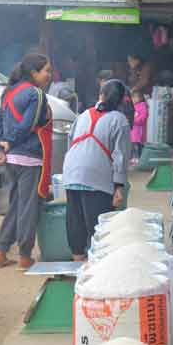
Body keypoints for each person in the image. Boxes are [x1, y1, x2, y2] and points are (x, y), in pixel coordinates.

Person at [0, 53, 54, 269]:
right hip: (29, 159)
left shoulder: (10, 92)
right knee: (28, 208)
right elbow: (29, 124)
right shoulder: (36, 94)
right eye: (47, 71)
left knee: (15, 206)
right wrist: (9, 141)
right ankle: (25, 256)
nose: (49, 75)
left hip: (11, 159)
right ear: (34, 72)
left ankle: (0, 254)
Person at [62, 79, 131, 260]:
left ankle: (77, 260)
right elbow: (121, 156)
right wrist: (118, 186)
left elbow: (71, 141)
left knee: (75, 219)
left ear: (101, 95)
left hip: (71, 171)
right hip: (96, 174)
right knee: (98, 223)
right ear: (122, 100)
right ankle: (97, 264)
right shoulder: (120, 120)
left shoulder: (83, 114)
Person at [130, 88, 149, 164]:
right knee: (133, 146)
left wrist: (133, 121)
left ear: (140, 98)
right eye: (132, 97)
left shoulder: (142, 106)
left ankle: (138, 159)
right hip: (132, 132)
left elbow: (143, 118)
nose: (134, 99)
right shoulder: (132, 106)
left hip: (138, 132)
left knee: (138, 146)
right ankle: (133, 159)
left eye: (136, 97)